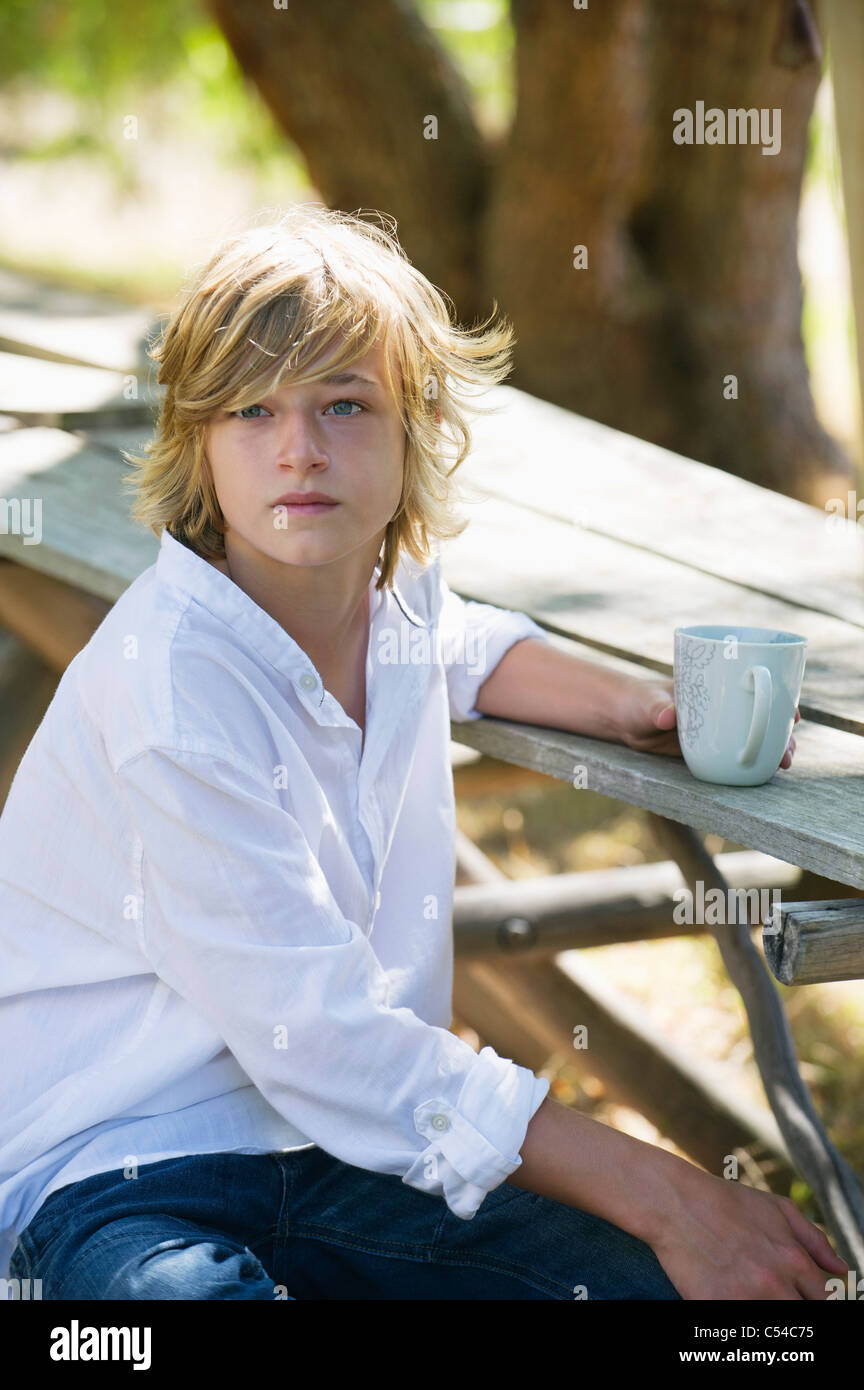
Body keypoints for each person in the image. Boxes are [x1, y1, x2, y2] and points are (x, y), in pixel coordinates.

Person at [0, 203, 832, 1302]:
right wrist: (674, 1189)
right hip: (128, 1169)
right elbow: (329, 1040)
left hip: (354, 1157)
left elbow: (450, 640)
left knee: (674, 1298)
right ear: (197, 443)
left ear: (413, 430)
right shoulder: (173, 686)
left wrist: (629, 703)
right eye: (251, 409)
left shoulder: (380, 602)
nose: (299, 449)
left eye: (346, 404)